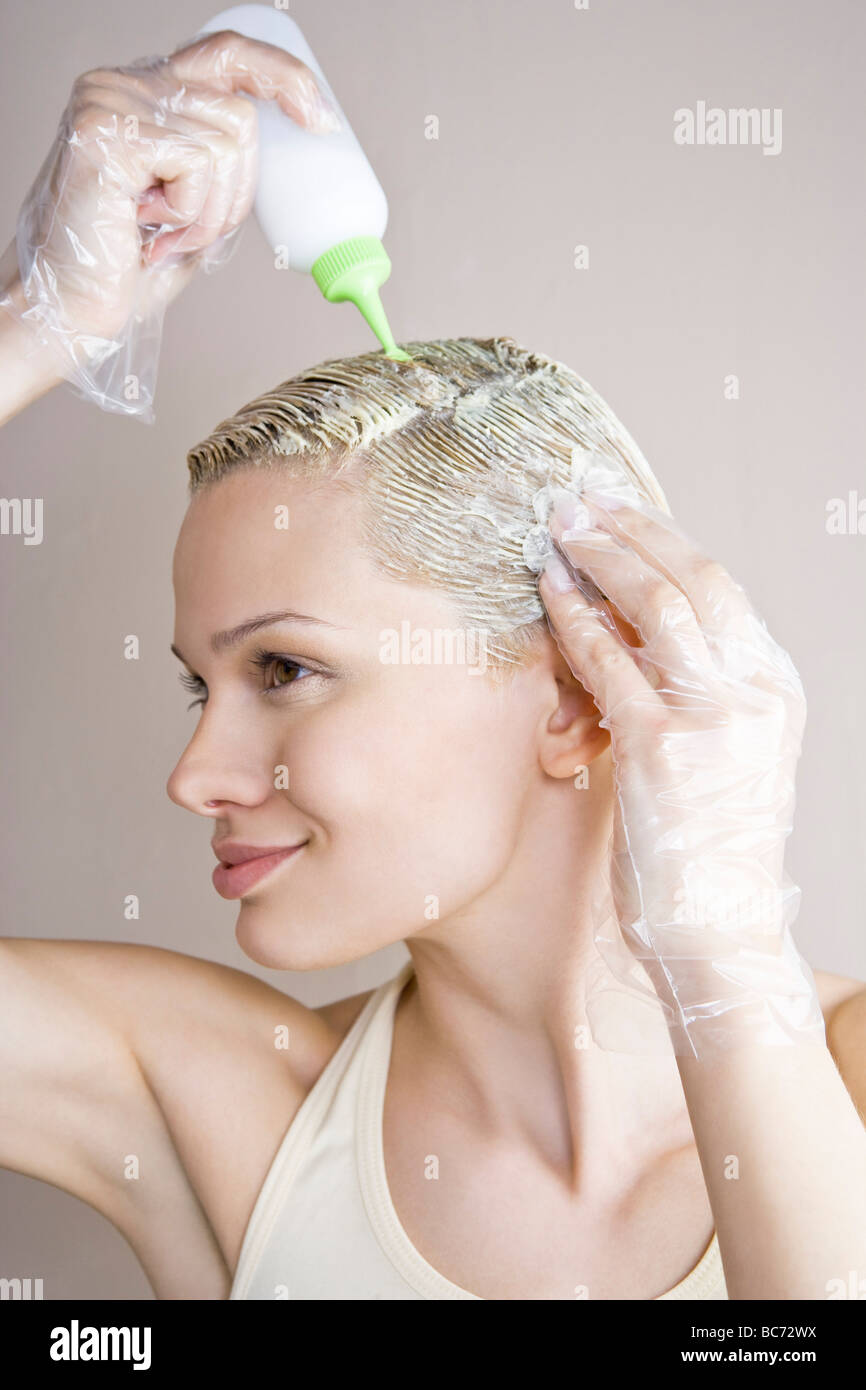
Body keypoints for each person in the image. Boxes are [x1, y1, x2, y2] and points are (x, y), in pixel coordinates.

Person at [1, 32, 864, 1303]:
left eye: (285, 668)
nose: (195, 774)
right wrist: (41, 320)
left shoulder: (842, 1075)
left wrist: (727, 963)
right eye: (200, 682)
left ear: (574, 693)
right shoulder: (215, 1099)